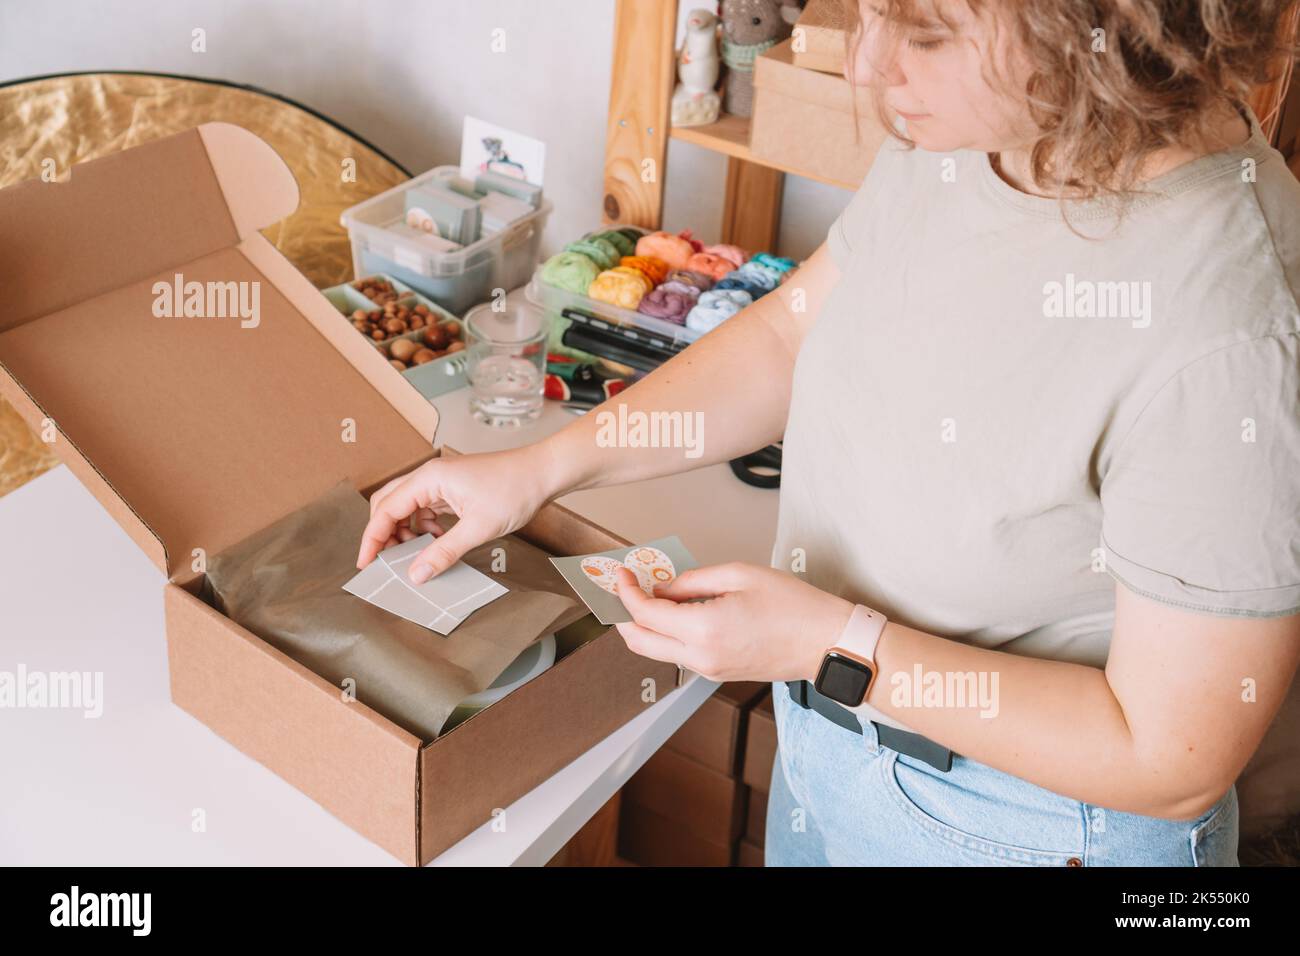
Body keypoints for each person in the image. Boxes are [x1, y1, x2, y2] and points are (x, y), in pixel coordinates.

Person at [357, 0, 1300, 866]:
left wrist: (837, 647)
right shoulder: (989, 131)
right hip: (832, 737)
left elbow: (1171, 758)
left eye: (924, 31)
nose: (867, 66)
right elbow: (789, 333)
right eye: (870, 11)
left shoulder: (1231, 326)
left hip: (1024, 827)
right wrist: (540, 468)